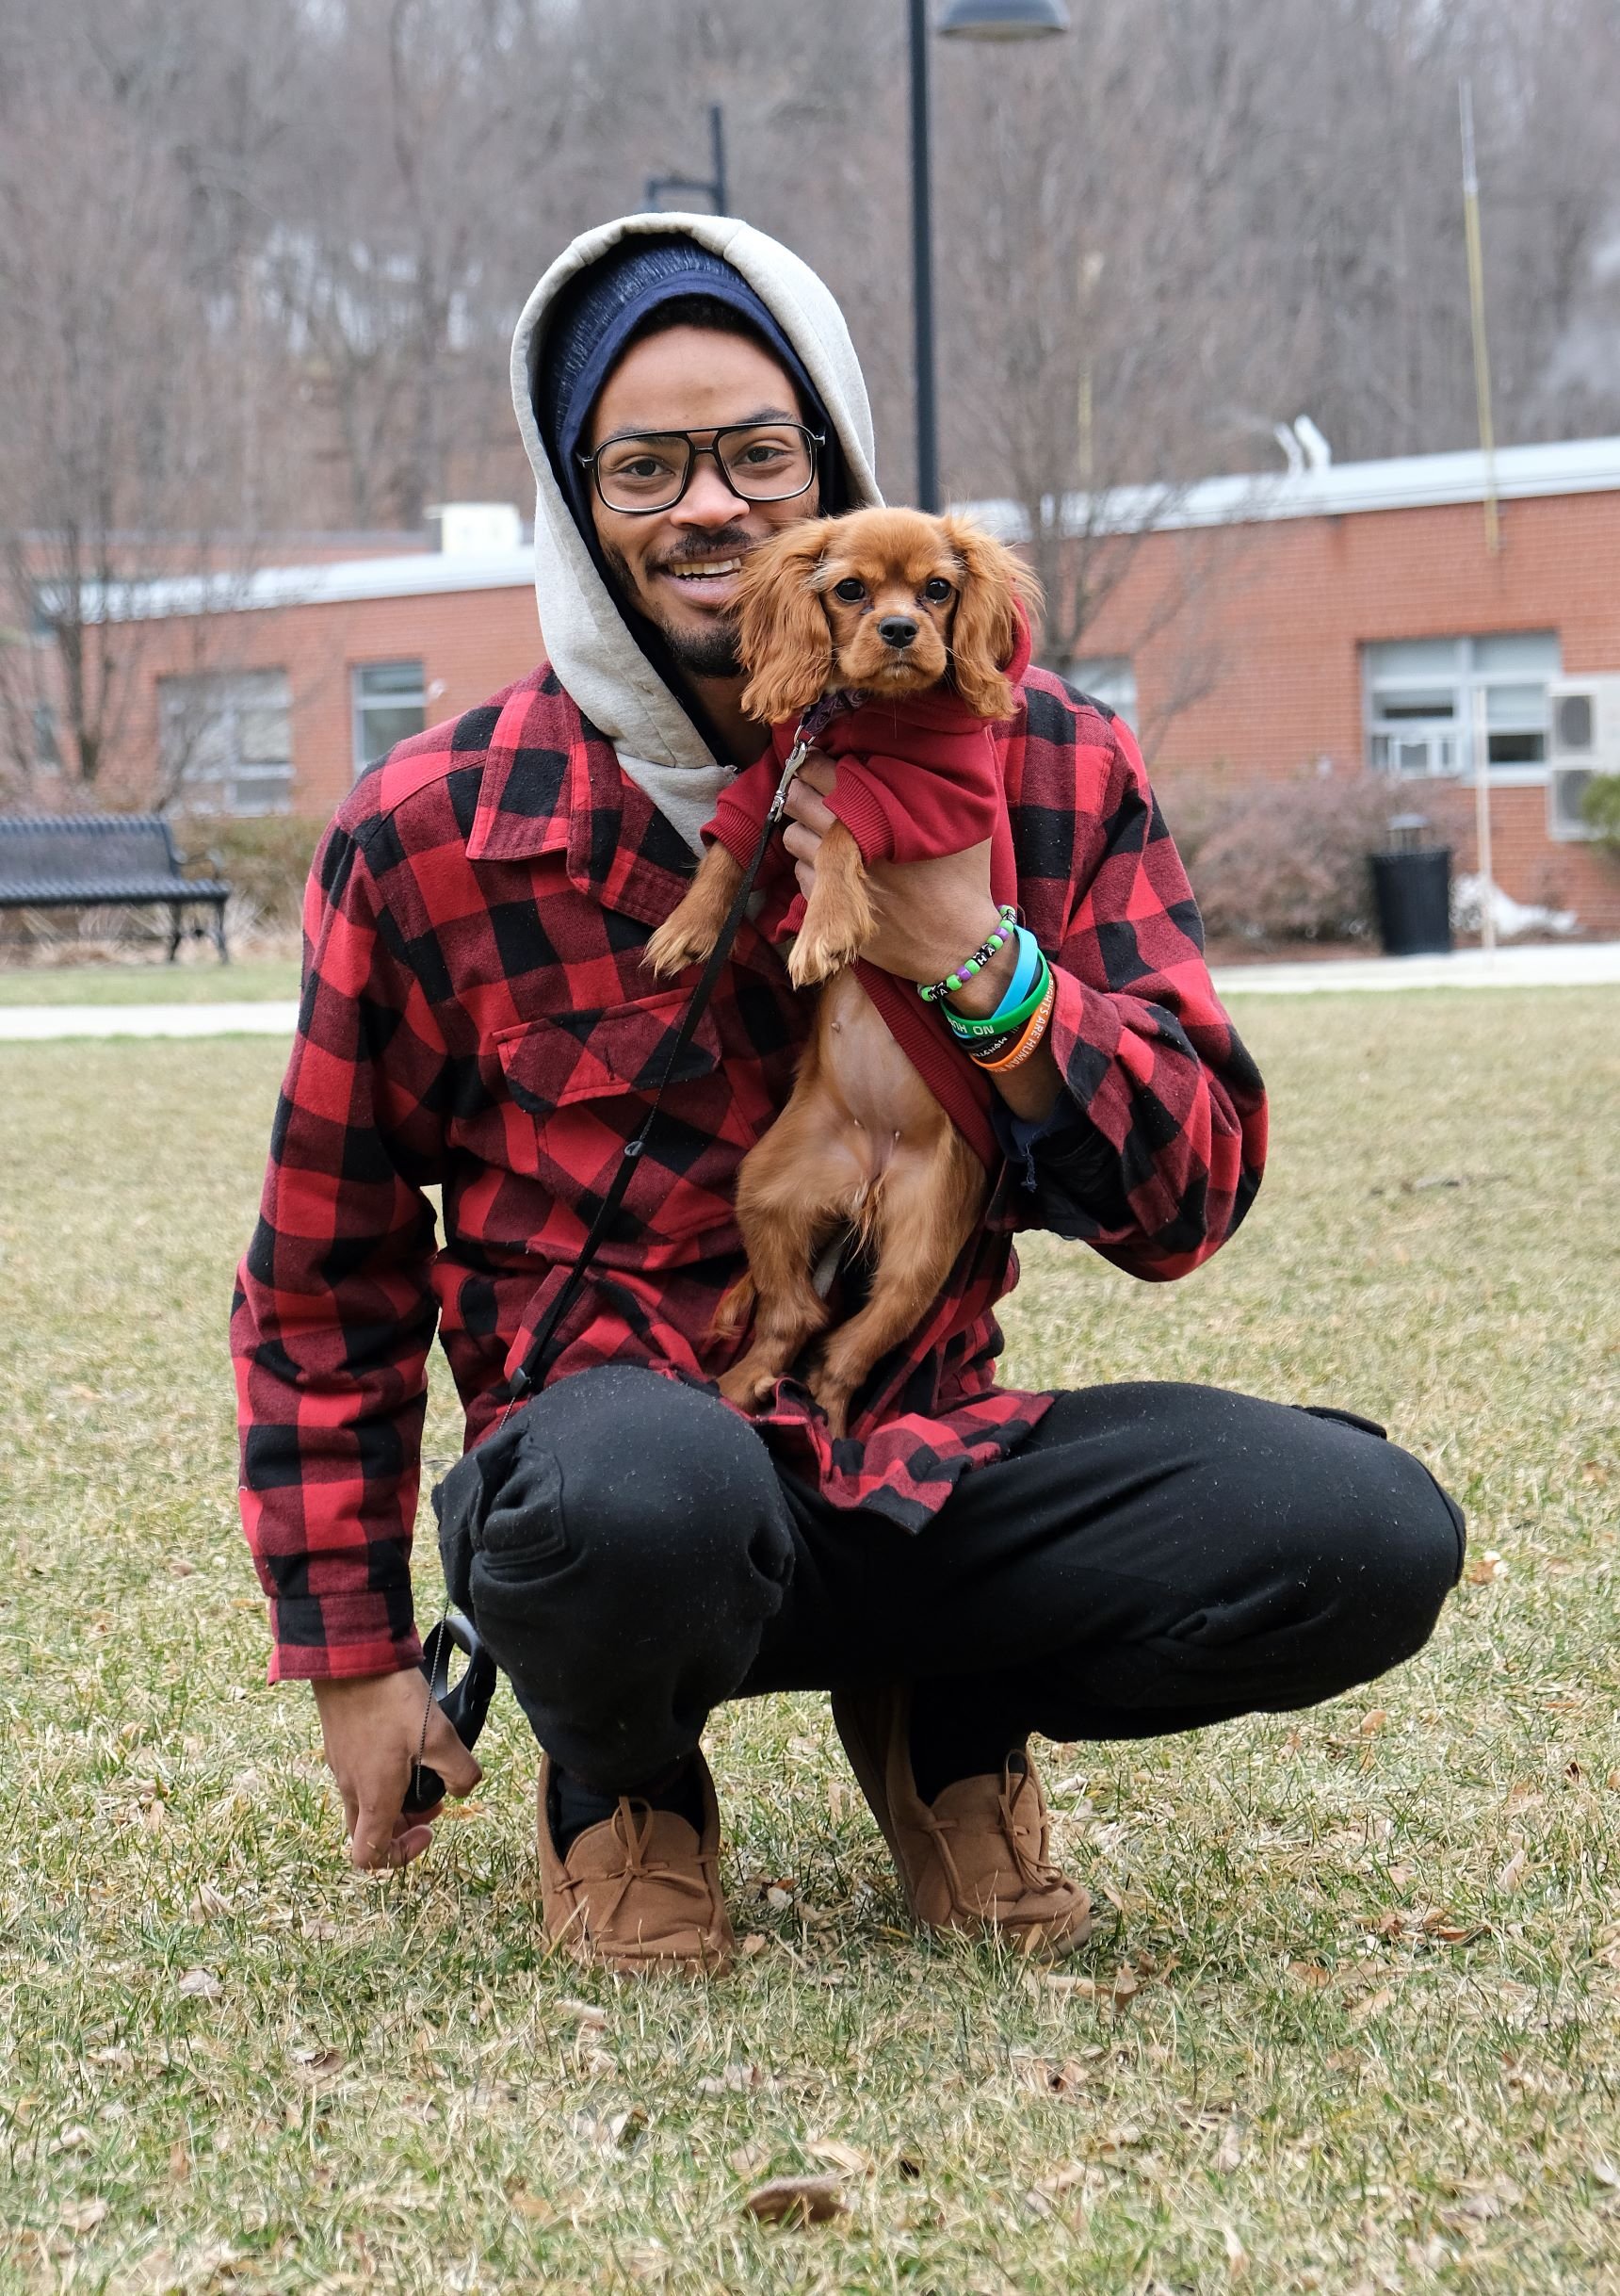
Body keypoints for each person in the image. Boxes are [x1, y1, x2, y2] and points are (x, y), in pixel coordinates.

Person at [233, 215, 1466, 1975]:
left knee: (1364, 1531)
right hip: (624, 1496)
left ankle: (948, 1714)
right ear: (578, 504)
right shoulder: (430, 825)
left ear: (830, 463)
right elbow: (322, 1268)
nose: (709, 506)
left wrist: (983, 959)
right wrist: (352, 1653)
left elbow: (1189, 1192)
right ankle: (625, 1774)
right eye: (644, 464)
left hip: (925, 1457)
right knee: (632, 1490)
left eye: (756, 450)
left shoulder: (1049, 760)